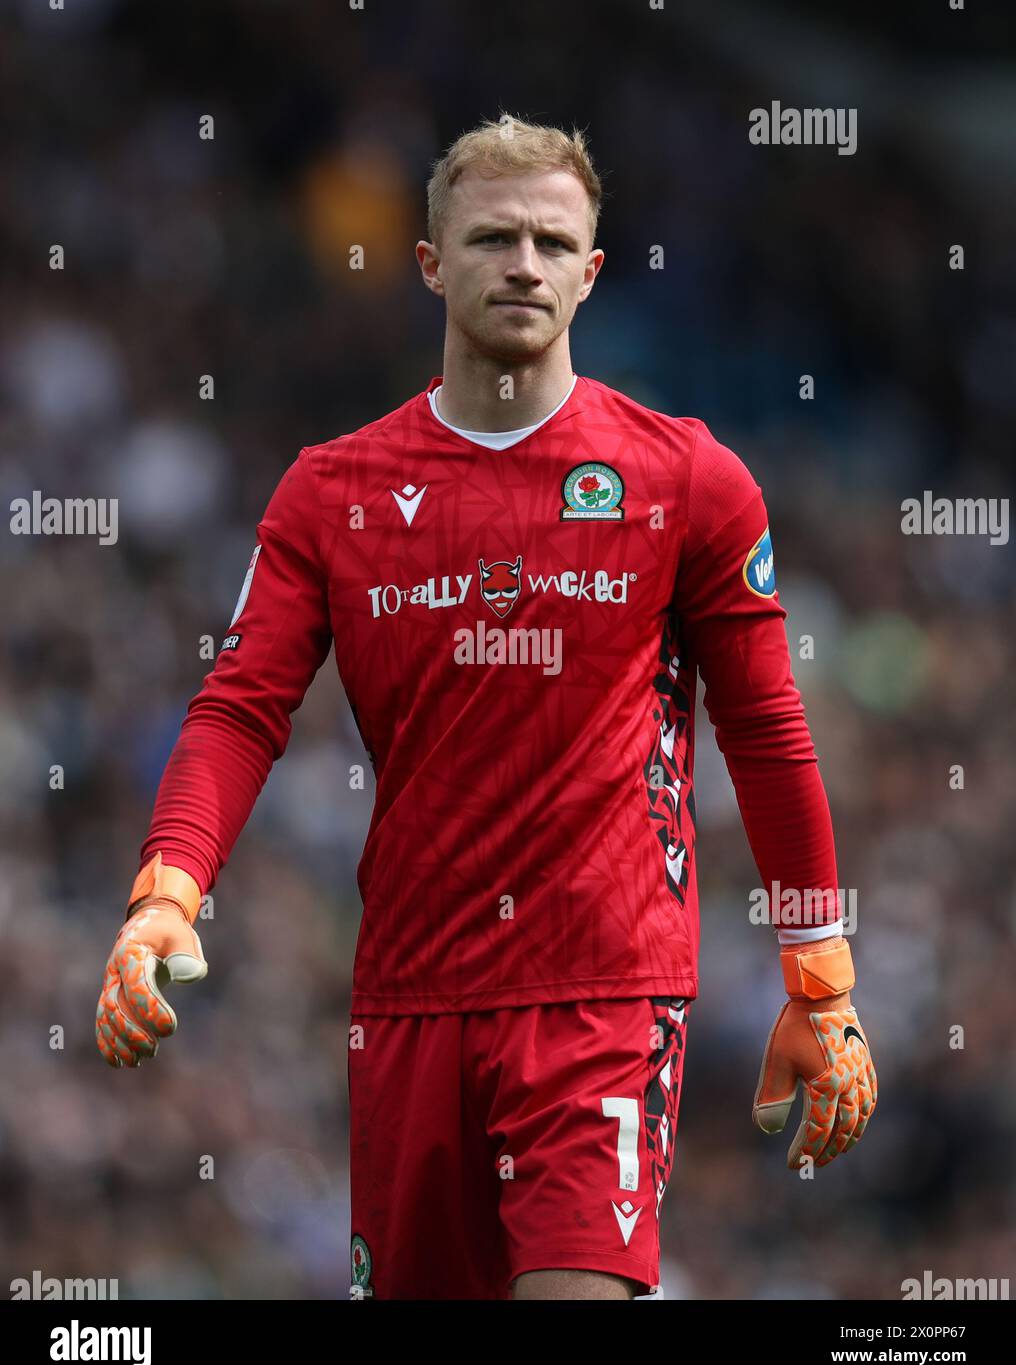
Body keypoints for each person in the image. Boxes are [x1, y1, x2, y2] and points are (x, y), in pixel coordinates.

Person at [96, 113, 877, 1301]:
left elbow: (765, 728)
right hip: (408, 996)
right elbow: (239, 708)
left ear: (591, 272)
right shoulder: (332, 492)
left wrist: (818, 972)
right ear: (429, 263)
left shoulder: (685, 480)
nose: (524, 263)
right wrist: (167, 891)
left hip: (600, 991)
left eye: (553, 243)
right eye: (494, 237)